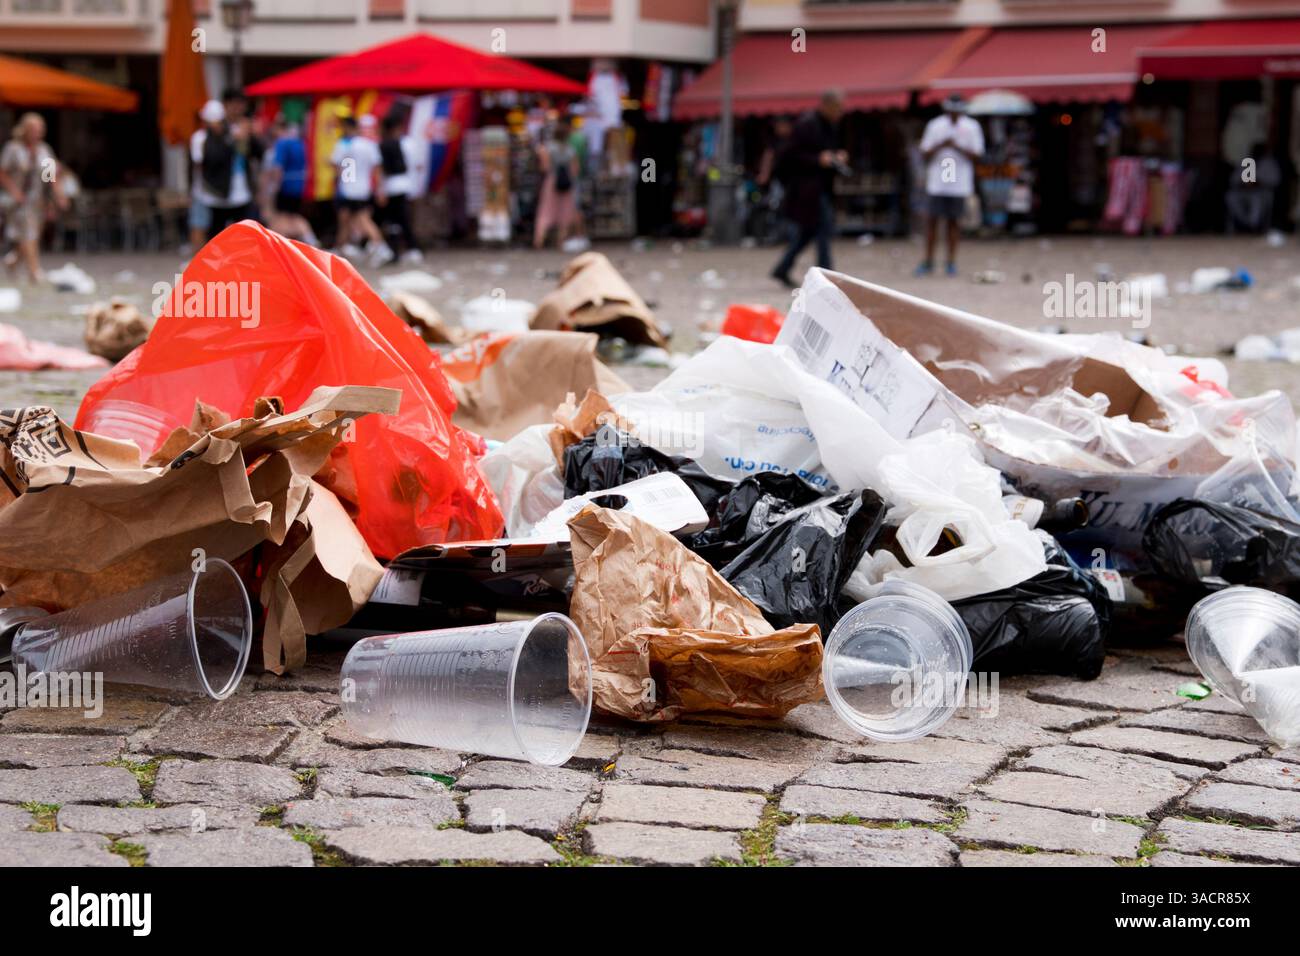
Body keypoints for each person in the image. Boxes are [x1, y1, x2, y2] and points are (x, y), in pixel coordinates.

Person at [770, 90, 847, 288]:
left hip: (819, 188)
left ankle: (783, 268)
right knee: (822, 230)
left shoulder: (828, 126)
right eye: (838, 108)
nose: (840, 112)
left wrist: (835, 157)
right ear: (827, 105)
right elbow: (790, 157)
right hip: (806, 190)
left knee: (808, 233)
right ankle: (826, 277)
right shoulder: (807, 124)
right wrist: (818, 160)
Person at [916, 94, 984, 277]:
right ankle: (928, 261)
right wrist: (941, 145)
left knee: (954, 223)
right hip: (937, 182)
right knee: (932, 222)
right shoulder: (935, 125)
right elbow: (924, 153)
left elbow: (978, 155)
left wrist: (956, 146)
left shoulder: (971, 127)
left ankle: (951, 262)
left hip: (958, 182)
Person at [0, 113, 68, 283]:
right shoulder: (13, 148)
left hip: (37, 199)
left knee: (32, 235)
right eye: (33, 129)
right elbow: (3, 172)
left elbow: (49, 177)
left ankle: (12, 261)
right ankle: (34, 271)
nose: (37, 133)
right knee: (28, 234)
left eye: (40, 129)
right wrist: (15, 191)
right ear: (25, 130)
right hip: (18, 201)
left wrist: (58, 196)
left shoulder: (43, 150)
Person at [330, 114, 392, 266]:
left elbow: (337, 166)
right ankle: (341, 248)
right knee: (347, 219)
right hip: (363, 188)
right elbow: (377, 168)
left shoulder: (345, 144)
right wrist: (379, 189)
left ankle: (380, 246)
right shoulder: (368, 145)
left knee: (360, 219)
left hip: (348, 189)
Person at [191, 99, 255, 240]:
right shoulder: (202, 138)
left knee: (241, 232)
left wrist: (245, 136)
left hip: (235, 193)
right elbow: (207, 162)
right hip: (212, 192)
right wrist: (231, 141)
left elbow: (249, 153)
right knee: (210, 229)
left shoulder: (230, 134)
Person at [261, 117, 318, 246]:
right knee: (293, 216)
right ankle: (309, 239)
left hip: (285, 186)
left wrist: (272, 188)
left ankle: (278, 246)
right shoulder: (301, 143)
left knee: (280, 218)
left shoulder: (282, 143)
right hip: (299, 186)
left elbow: (277, 168)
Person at [375, 115, 423, 263]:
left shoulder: (382, 145)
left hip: (391, 185)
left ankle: (402, 249)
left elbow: (381, 169)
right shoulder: (405, 143)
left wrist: (380, 189)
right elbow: (417, 165)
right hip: (405, 184)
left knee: (396, 220)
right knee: (400, 219)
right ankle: (402, 249)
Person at [533, 118, 582, 250]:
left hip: (551, 181)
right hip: (566, 183)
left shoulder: (547, 148)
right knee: (565, 212)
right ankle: (560, 241)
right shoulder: (570, 149)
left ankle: (539, 240)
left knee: (546, 211)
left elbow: (545, 167)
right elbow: (575, 169)